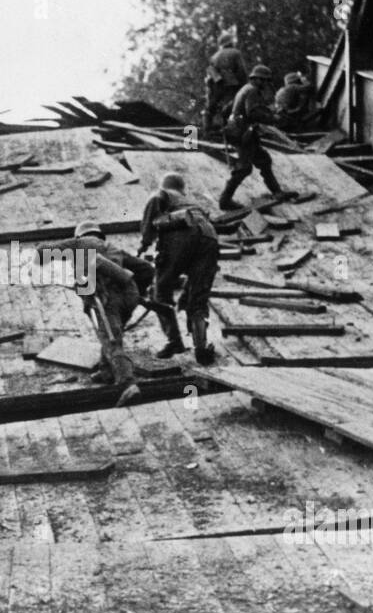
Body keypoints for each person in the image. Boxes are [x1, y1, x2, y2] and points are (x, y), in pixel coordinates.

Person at [38, 220, 156, 406]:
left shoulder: (78, 243)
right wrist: (136, 292)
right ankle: (107, 371)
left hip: (106, 298)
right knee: (112, 331)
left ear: (80, 235)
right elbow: (147, 270)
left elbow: (43, 251)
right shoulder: (114, 248)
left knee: (110, 338)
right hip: (129, 295)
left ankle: (128, 384)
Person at [139, 172, 219, 365]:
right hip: (209, 237)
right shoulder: (193, 201)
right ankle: (201, 348)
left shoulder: (161, 193)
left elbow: (150, 219)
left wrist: (144, 243)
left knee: (159, 291)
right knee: (198, 296)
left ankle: (174, 341)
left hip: (181, 236)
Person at [219, 64, 287, 210]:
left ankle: (277, 192)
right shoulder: (252, 91)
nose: (265, 83)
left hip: (243, 132)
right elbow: (253, 113)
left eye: (266, 80)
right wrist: (273, 118)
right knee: (244, 168)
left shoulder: (245, 89)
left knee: (263, 160)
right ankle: (224, 201)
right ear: (256, 79)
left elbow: (228, 109)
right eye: (263, 80)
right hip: (243, 134)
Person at [204, 32, 248, 135]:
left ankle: (208, 128)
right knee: (232, 106)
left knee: (215, 107)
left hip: (216, 85)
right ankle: (230, 130)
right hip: (232, 84)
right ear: (230, 42)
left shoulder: (214, 56)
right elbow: (241, 71)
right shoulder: (235, 53)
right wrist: (244, 84)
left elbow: (210, 72)